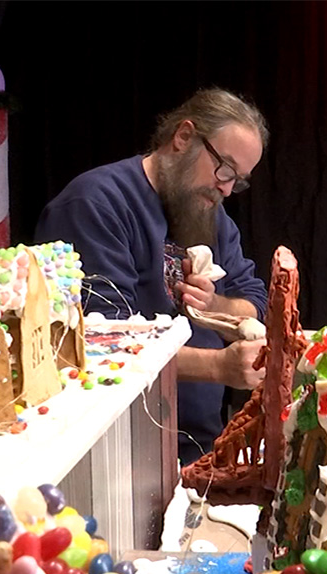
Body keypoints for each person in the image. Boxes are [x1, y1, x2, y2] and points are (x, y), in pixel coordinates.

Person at [35, 88, 269, 466]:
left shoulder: (212, 217)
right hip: (118, 453)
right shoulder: (97, 203)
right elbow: (100, 346)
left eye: (237, 180)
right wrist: (218, 367)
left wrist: (216, 306)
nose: (226, 188)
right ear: (184, 137)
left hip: (198, 444)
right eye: (224, 169)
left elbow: (254, 300)